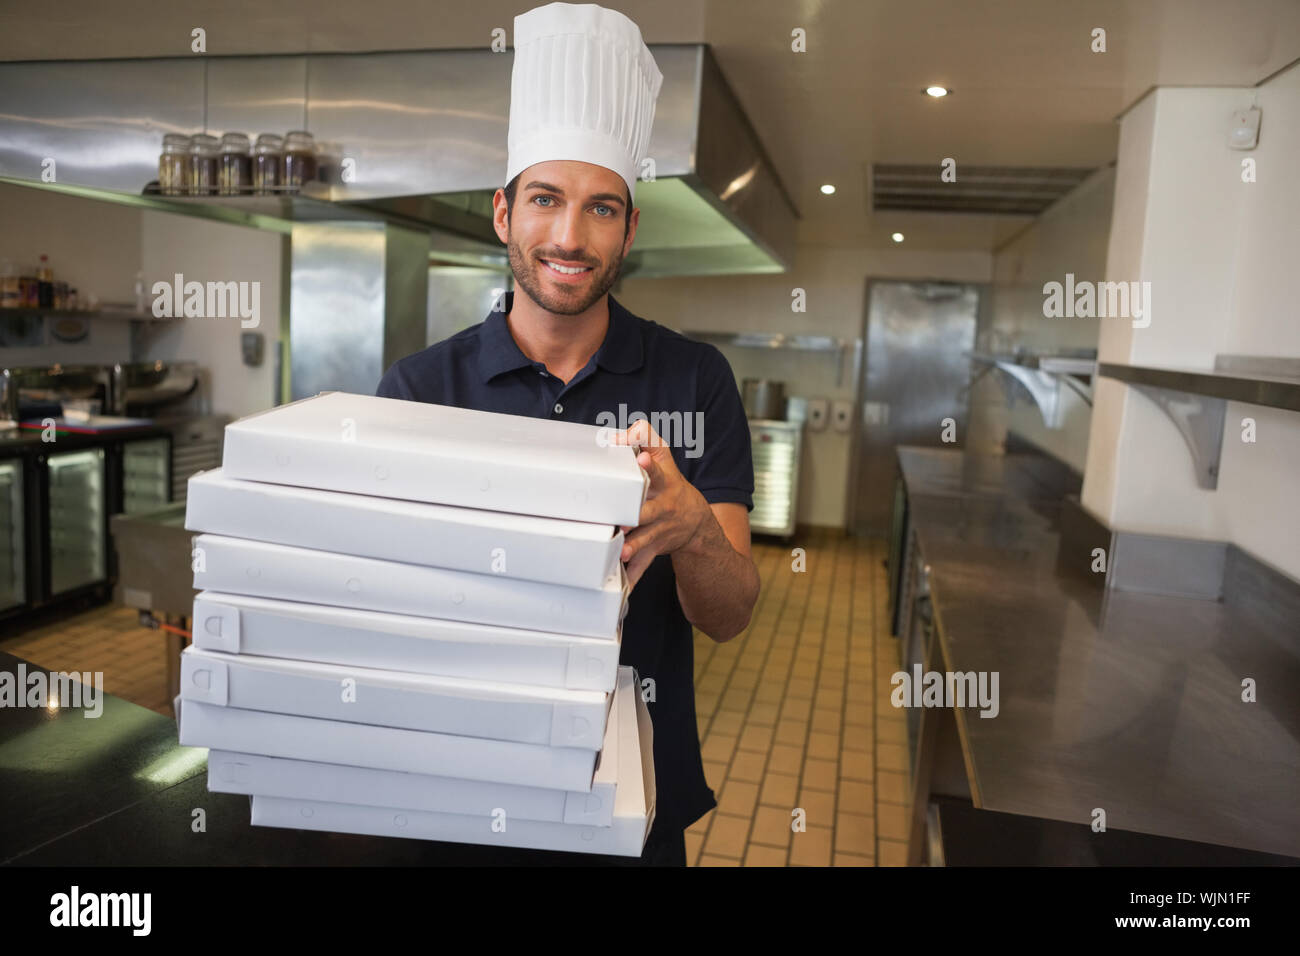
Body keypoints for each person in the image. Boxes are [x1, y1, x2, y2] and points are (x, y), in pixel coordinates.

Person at [376, 1, 759, 866]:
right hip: (456, 786)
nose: (569, 237)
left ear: (629, 230)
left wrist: (691, 524)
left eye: (602, 209)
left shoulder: (693, 381)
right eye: (546, 200)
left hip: (632, 790)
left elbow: (730, 616)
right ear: (505, 214)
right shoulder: (419, 391)